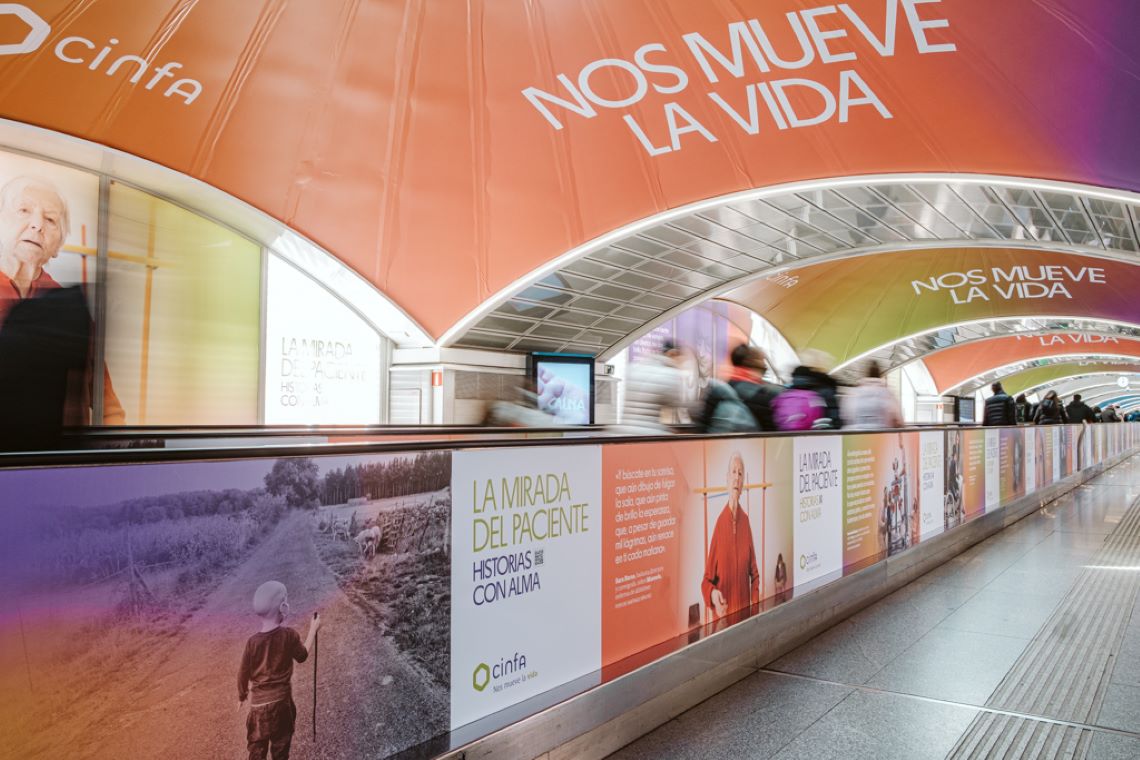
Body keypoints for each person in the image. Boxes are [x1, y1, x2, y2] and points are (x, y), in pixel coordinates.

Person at [0, 175, 124, 425]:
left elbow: (108, 408)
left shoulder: (70, 307)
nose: (37, 225)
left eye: (50, 219)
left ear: (59, 244)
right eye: (23, 210)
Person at [238, 581, 321, 760]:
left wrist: (242, 695)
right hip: (281, 705)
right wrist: (313, 630)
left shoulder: (252, 643)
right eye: (286, 601)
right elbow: (302, 655)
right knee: (280, 749)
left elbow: (243, 672)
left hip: (258, 708)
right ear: (283, 607)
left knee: (256, 750)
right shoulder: (288, 635)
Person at [701, 452, 759, 621]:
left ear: (742, 484)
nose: (736, 478)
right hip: (724, 622)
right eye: (733, 472)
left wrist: (755, 606)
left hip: (746, 621)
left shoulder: (746, 521)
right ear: (727, 479)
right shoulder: (719, 524)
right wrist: (713, 596)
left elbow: (755, 575)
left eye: (740, 473)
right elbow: (706, 582)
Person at [620, 340, 685, 432]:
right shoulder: (670, 374)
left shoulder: (634, 368)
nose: (680, 363)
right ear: (672, 354)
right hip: (647, 433)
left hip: (624, 431)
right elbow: (682, 405)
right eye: (680, 359)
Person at [725, 344, 783, 431]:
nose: (765, 364)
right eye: (762, 360)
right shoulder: (762, 395)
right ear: (751, 361)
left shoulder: (727, 385)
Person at [787, 349, 842, 429]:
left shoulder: (789, 391)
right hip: (820, 433)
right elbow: (833, 417)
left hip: (792, 433)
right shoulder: (825, 389)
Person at [842, 361, 903, 430]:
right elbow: (898, 419)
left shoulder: (854, 392)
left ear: (866, 374)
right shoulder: (887, 393)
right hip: (883, 436)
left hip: (856, 435)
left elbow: (846, 416)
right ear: (880, 374)